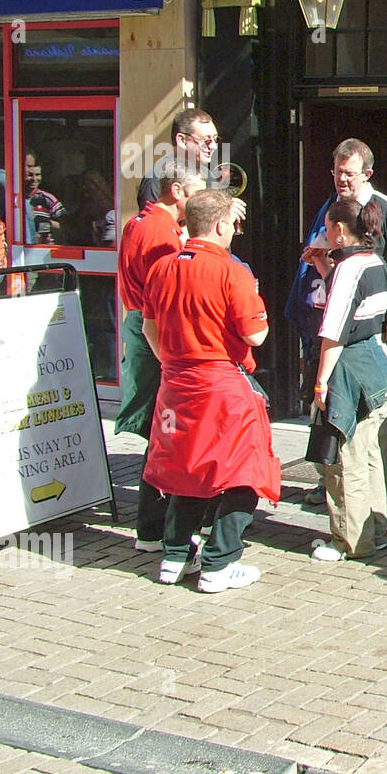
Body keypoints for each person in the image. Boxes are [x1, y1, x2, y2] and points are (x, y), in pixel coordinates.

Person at [142, 190, 280, 593]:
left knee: (189, 467)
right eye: (233, 226)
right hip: (220, 382)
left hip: (175, 381)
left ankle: (175, 553)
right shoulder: (230, 271)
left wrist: (171, 360)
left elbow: (148, 326)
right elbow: (256, 335)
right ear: (221, 226)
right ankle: (219, 563)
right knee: (244, 470)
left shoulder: (162, 267)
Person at [285, 138, 387, 514]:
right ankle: (330, 482)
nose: (341, 180)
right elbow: (335, 273)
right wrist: (319, 262)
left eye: (349, 173)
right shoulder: (330, 209)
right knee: (333, 410)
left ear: (367, 173)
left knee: (379, 415)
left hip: (377, 331)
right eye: (336, 172)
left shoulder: (386, 209)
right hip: (335, 326)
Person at [115, 154, 209, 552]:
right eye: (197, 194)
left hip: (141, 327)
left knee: (161, 430)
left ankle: (159, 525)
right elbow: (165, 293)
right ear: (177, 191)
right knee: (164, 432)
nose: (202, 203)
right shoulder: (160, 232)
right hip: (152, 333)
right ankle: (154, 528)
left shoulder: (143, 221)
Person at [305, 198, 387, 562]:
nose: (326, 235)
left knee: (346, 461)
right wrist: (321, 263)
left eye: (328, 229)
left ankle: (350, 542)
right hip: (374, 364)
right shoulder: (375, 262)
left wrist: (320, 384)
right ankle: (377, 533)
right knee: (370, 456)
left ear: (341, 231)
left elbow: (335, 329)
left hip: (347, 366)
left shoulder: (348, 269)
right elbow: (356, 306)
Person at [22, 150, 65, 244]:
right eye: (30, 175)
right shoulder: (17, 199)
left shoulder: (48, 199)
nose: (34, 179)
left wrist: (46, 222)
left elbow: (66, 226)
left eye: (37, 175)